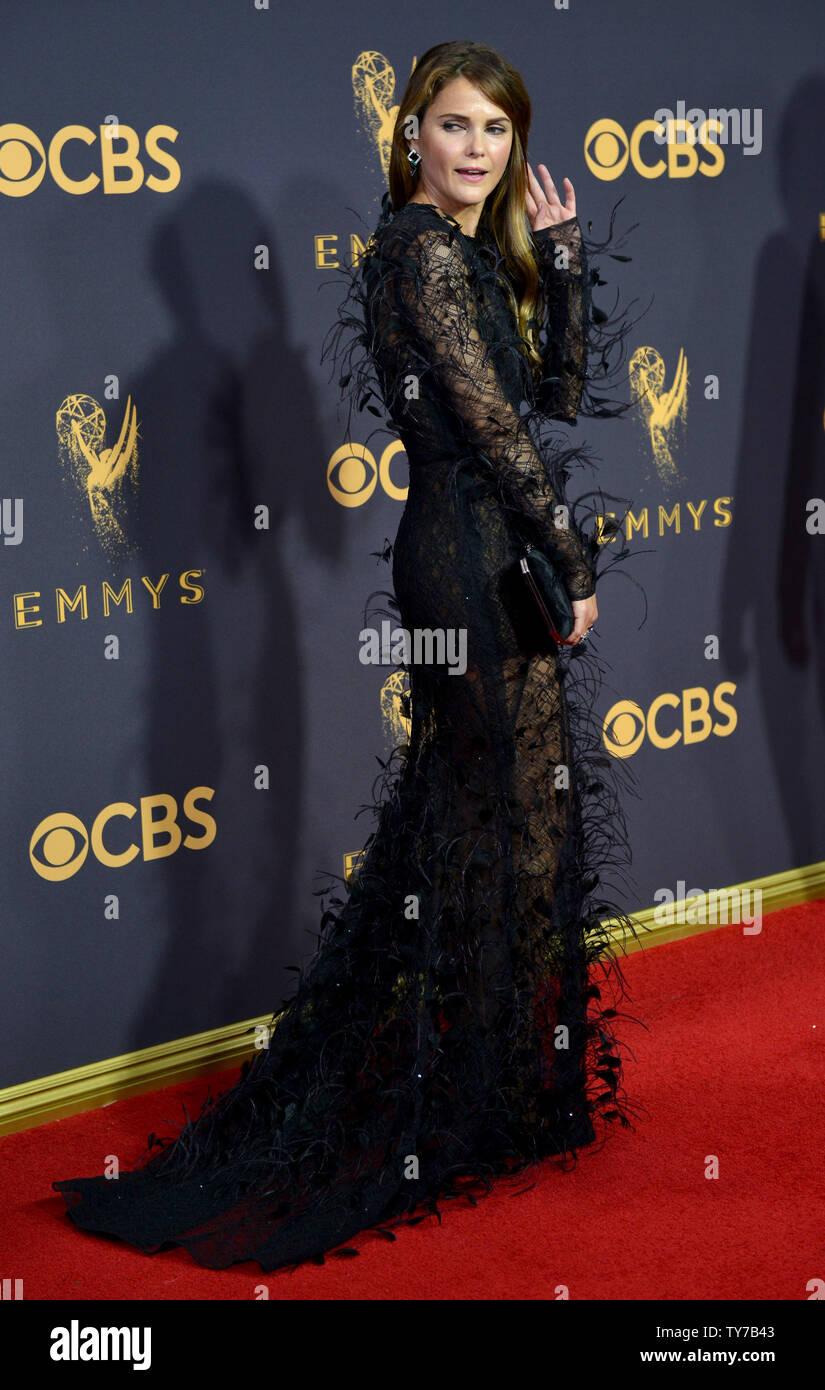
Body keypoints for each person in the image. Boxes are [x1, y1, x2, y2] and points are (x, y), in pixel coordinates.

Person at [52, 39, 648, 1273]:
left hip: (481, 545)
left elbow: (552, 395)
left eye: (496, 129)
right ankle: (459, 1105)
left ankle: (487, 1095)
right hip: (463, 556)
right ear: (411, 135)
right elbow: (488, 436)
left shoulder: (466, 255)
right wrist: (573, 567)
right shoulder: (415, 253)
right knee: (494, 829)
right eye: (456, 125)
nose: (479, 149)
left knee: (506, 828)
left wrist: (571, 267)